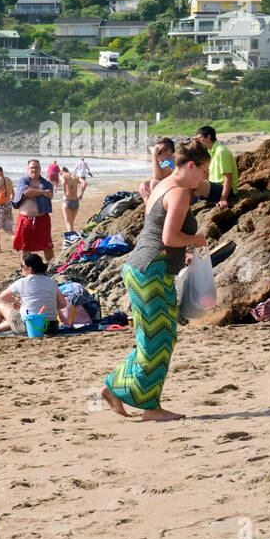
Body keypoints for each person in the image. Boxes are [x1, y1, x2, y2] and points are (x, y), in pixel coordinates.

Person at [101, 142, 209, 422]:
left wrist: (181, 253)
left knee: (153, 337)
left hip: (141, 268)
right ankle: (150, 408)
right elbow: (169, 238)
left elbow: (161, 232)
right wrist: (195, 241)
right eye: (202, 171)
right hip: (151, 271)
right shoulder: (180, 192)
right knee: (159, 338)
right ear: (189, 166)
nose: (203, 178)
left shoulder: (163, 184)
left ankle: (113, 387)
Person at [0, 254, 72, 337]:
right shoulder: (51, 282)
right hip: (51, 327)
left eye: (22, 266)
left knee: (1, 307)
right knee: (18, 316)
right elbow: (63, 304)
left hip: (31, 327)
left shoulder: (23, 282)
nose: (20, 269)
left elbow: (2, 297)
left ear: (30, 269)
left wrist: (14, 302)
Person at [12, 159, 55, 262]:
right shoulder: (23, 181)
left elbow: (47, 196)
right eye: (32, 167)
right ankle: (26, 268)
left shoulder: (47, 183)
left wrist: (33, 193)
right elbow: (26, 192)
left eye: (36, 167)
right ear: (28, 169)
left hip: (42, 219)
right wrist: (43, 192)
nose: (34, 169)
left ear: (40, 169)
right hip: (25, 219)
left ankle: (53, 267)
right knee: (25, 247)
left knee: (47, 246)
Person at [196, 125, 236, 208]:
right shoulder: (210, 152)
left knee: (193, 183)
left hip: (223, 189)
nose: (198, 141)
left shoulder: (221, 151)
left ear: (208, 137)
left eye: (200, 138)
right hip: (214, 186)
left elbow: (228, 177)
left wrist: (223, 199)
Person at [139, 137, 176, 203]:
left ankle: (158, 209)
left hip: (179, 192)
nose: (157, 155)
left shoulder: (173, 161)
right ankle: (149, 210)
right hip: (170, 190)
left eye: (159, 152)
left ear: (169, 151)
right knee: (144, 185)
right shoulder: (165, 162)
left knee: (154, 183)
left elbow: (158, 176)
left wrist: (154, 155)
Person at [60, 166, 83, 234]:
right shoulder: (75, 176)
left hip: (67, 201)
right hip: (76, 201)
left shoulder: (63, 176)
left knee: (68, 223)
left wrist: (65, 193)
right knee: (71, 222)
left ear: (62, 171)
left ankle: (70, 237)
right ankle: (72, 235)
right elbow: (84, 183)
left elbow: (63, 182)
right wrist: (81, 194)